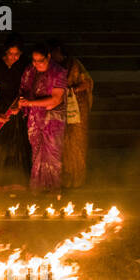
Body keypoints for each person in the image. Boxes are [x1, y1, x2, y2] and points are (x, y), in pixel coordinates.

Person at [12, 44, 67, 196]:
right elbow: (23, 90)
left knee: (52, 152)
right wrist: (20, 105)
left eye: (40, 60)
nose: (36, 64)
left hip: (53, 119)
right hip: (35, 118)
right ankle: (38, 186)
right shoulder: (30, 70)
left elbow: (55, 100)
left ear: (48, 57)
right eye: (34, 60)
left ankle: (54, 188)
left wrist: (29, 103)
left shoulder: (58, 72)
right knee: (36, 151)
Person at [0, 38, 28, 189]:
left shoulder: (23, 66)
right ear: (5, 52)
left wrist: (19, 106)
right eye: (10, 53)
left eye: (17, 54)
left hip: (16, 108)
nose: (13, 57)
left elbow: (25, 90)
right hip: (1, 108)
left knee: (16, 145)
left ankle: (15, 181)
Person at [51, 41, 93, 190]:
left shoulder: (74, 64)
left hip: (77, 111)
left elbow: (87, 83)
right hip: (57, 109)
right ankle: (61, 179)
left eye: (56, 52)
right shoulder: (49, 67)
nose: (53, 55)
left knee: (76, 144)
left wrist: (73, 90)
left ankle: (77, 178)